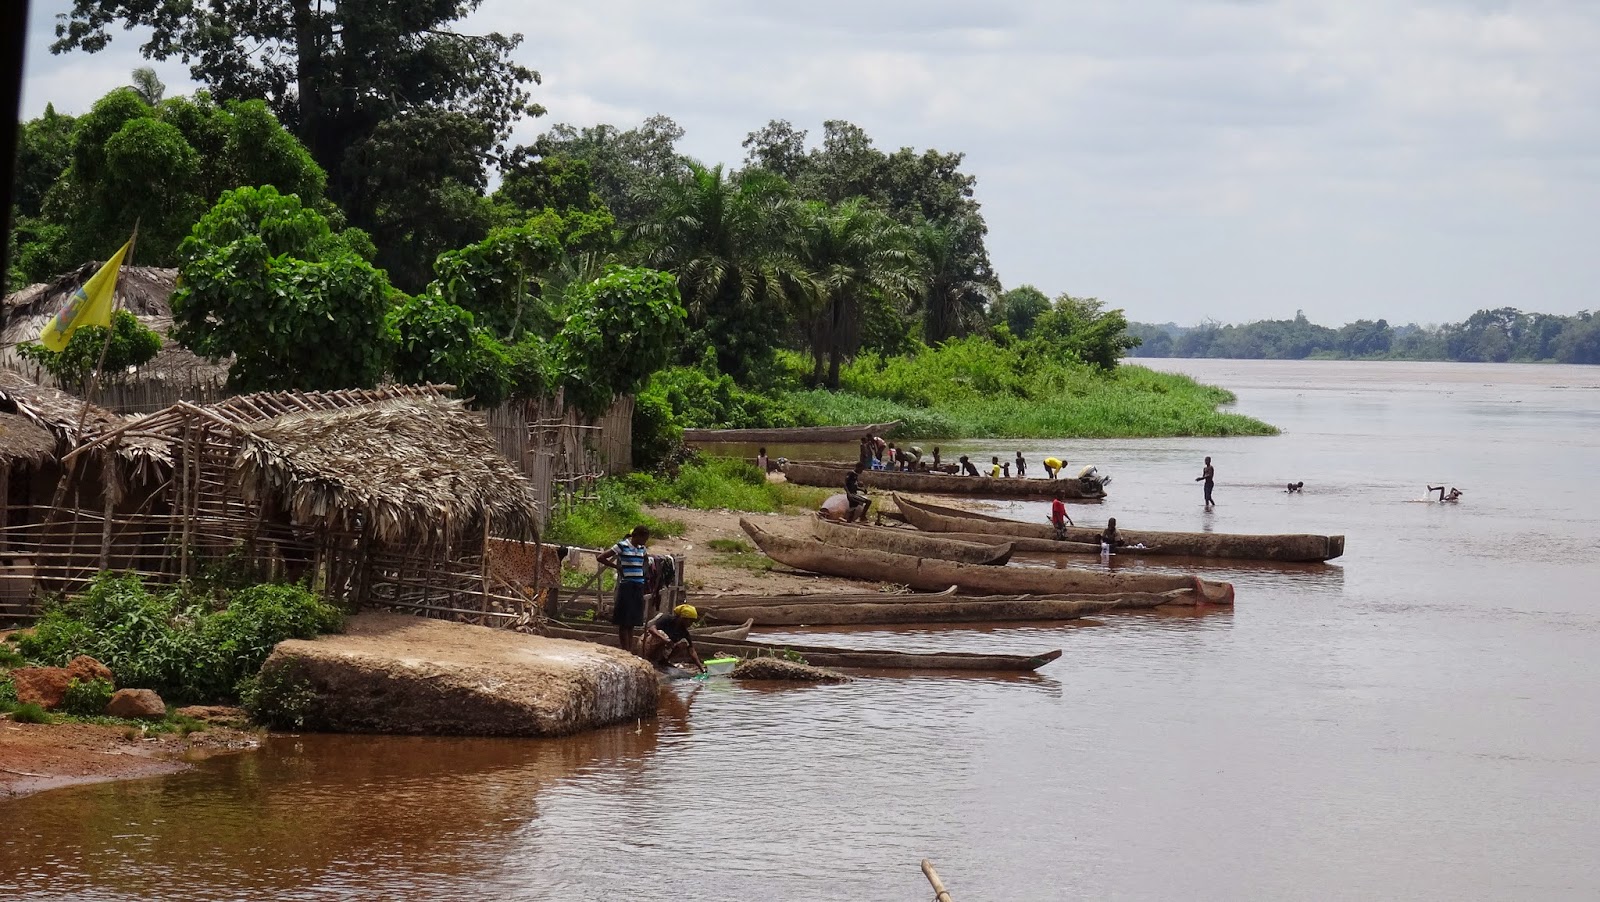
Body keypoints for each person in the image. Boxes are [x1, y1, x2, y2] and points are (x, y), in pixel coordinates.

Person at [596, 525, 651, 653]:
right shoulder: (622, 545)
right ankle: (624, 649)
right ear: (636, 535)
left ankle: (629, 649)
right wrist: (617, 567)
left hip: (638, 586)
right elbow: (601, 557)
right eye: (643, 539)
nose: (644, 542)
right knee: (623, 620)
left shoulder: (642, 549)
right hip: (627, 585)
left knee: (632, 620)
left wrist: (644, 575)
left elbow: (646, 560)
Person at [640, 604, 706, 673]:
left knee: (683, 644)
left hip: (661, 651)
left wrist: (701, 669)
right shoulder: (667, 619)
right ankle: (649, 659)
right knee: (661, 633)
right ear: (683, 618)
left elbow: (692, 651)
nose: (690, 624)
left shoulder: (683, 632)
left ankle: (663, 662)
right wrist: (665, 640)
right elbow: (651, 629)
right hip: (646, 645)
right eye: (690, 621)